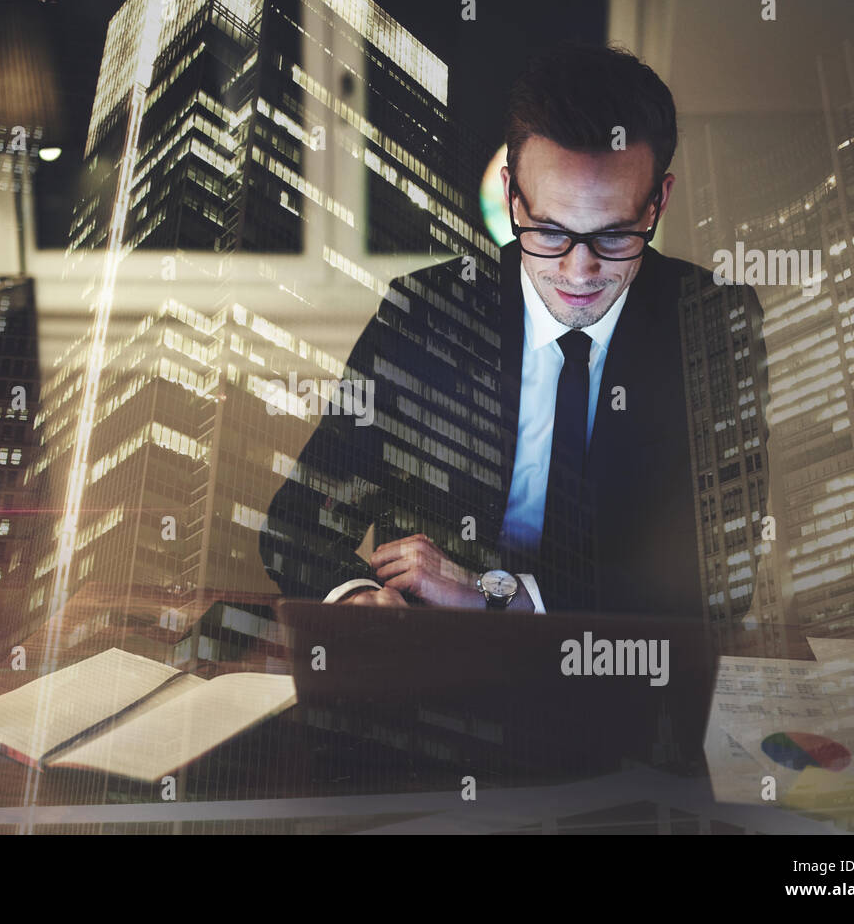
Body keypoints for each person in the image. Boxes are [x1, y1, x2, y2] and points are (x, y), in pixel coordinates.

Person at [260, 42, 769, 617]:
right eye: (549, 232)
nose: (580, 272)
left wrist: (494, 595)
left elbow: (722, 577)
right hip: (431, 673)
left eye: (615, 235)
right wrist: (359, 598)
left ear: (658, 205)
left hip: (623, 678)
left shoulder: (710, 323)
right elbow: (298, 522)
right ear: (511, 197)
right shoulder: (425, 313)